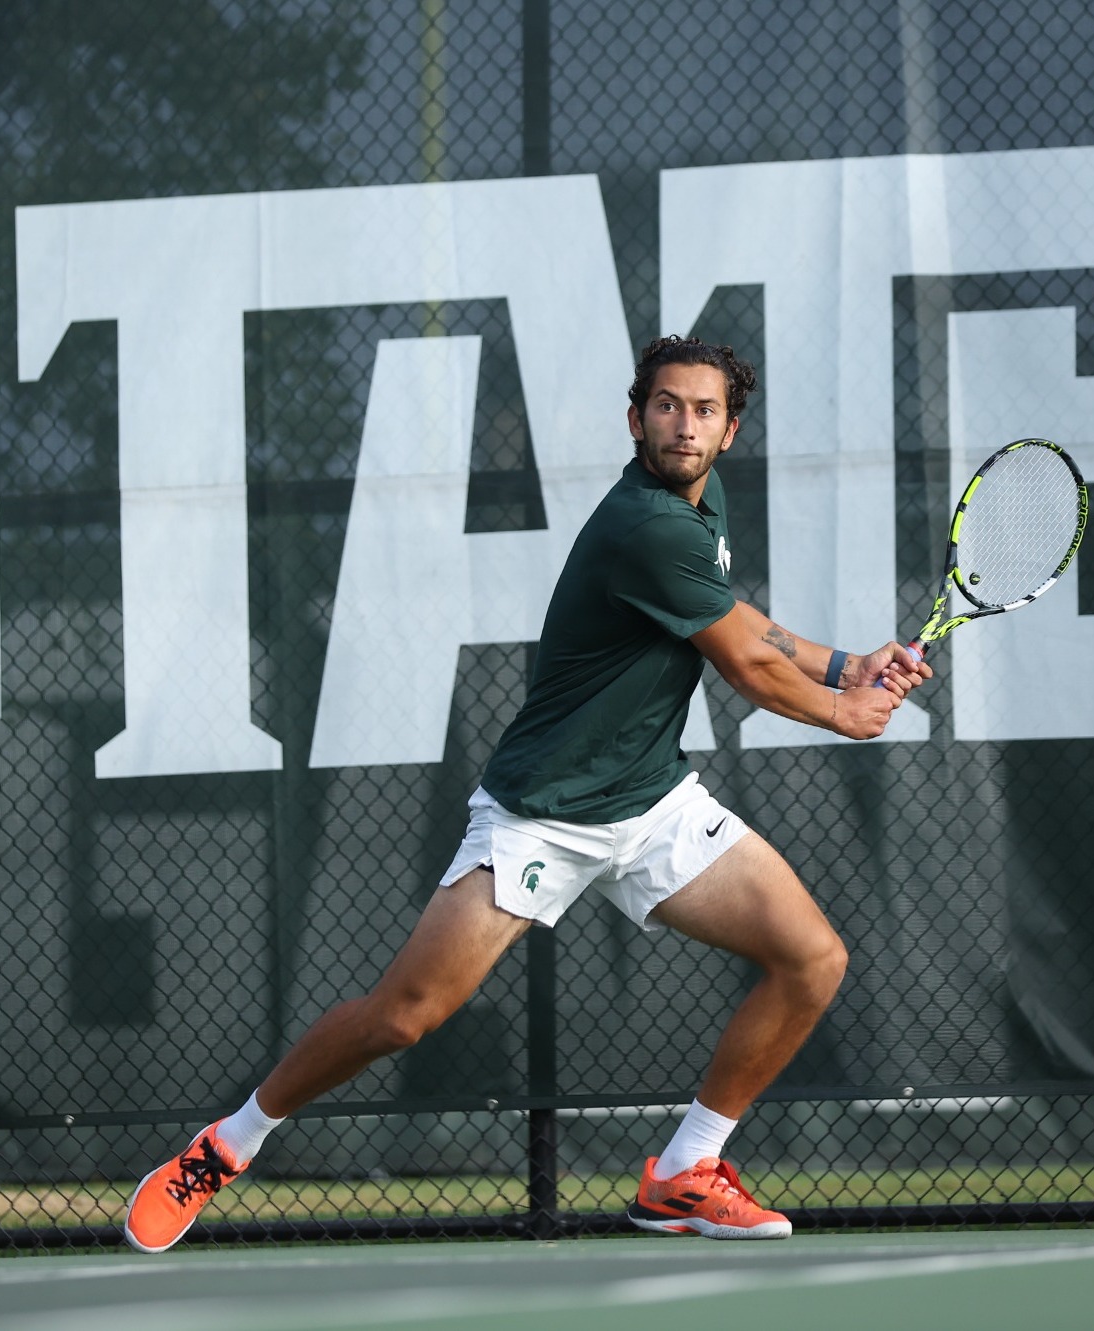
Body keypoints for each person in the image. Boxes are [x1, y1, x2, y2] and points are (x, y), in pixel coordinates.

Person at [123, 334, 930, 1251]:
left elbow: (740, 615)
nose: (683, 424)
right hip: (541, 815)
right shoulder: (647, 523)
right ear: (636, 419)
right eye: (666, 405)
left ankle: (682, 1171)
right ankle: (224, 1146)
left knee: (812, 958)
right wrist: (840, 709)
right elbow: (743, 664)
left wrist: (845, 660)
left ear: (728, 431)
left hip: (651, 801)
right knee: (403, 1015)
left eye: (703, 410)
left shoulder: (698, 509)